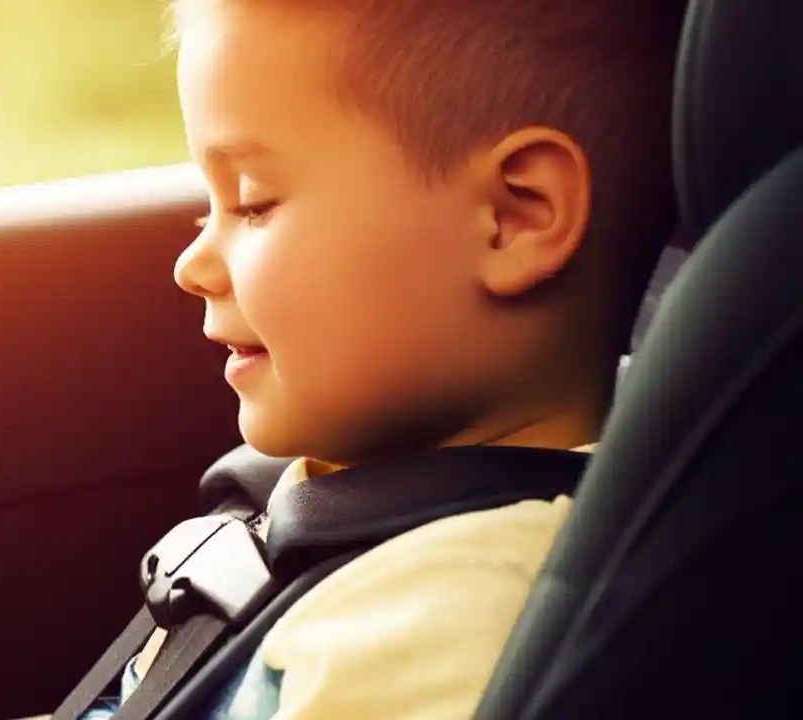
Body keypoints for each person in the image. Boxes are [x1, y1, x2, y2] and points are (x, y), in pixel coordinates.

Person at [74, 0, 689, 716]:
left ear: (515, 216)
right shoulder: (361, 505)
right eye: (204, 208)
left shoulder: (448, 618)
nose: (191, 264)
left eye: (252, 202)